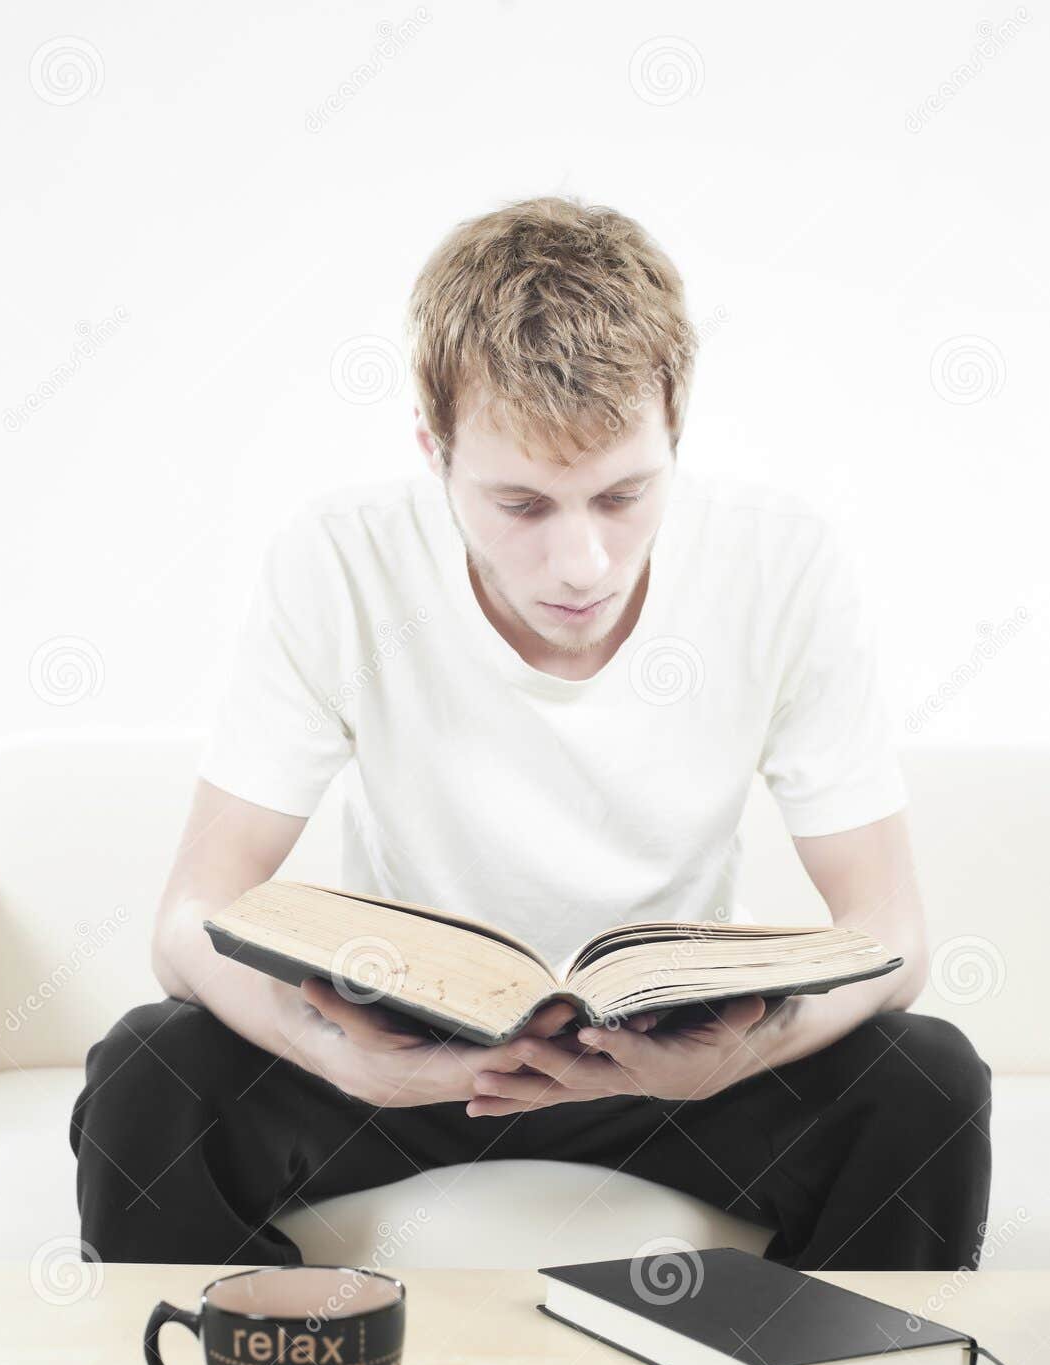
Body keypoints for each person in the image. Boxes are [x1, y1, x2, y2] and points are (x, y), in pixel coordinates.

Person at [70, 196, 991, 1269]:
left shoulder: (782, 565)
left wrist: (729, 1059)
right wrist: (346, 1056)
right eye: (521, 505)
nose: (582, 565)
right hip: (407, 1065)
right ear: (435, 449)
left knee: (928, 1080)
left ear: (675, 430)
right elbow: (192, 919)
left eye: (623, 496)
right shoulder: (340, 560)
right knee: (148, 1070)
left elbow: (893, 935)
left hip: (666, 1070)